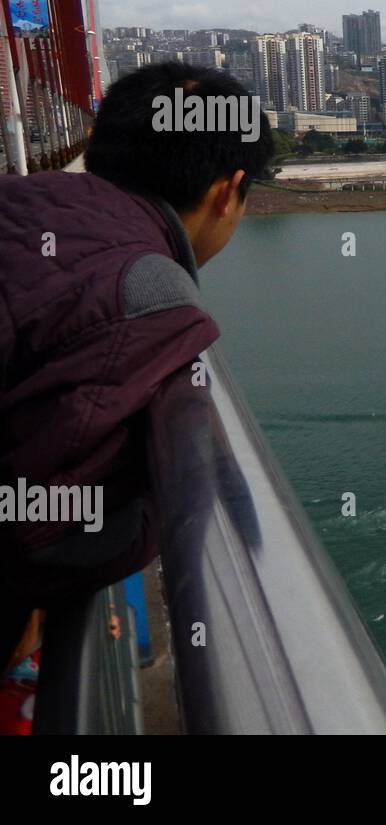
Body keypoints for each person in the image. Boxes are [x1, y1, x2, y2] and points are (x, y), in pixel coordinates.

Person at [0, 62, 273, 667]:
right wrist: (169, 498)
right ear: (228, 192)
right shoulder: (149, 294)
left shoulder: (20, 197)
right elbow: (38, 538)